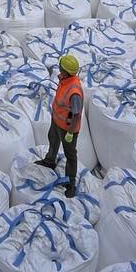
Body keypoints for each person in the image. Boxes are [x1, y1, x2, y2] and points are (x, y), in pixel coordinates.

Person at [38, 54, 84, 196]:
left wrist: (70, 131)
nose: (59, 70)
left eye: (61, 68)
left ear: (66, 71)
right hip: (57, 121)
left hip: (67, 128)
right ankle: (50, 160)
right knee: (53, 140)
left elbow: (75, 113)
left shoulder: (74, 91)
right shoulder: (65, 80)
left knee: (70, 154)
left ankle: (71, 183)